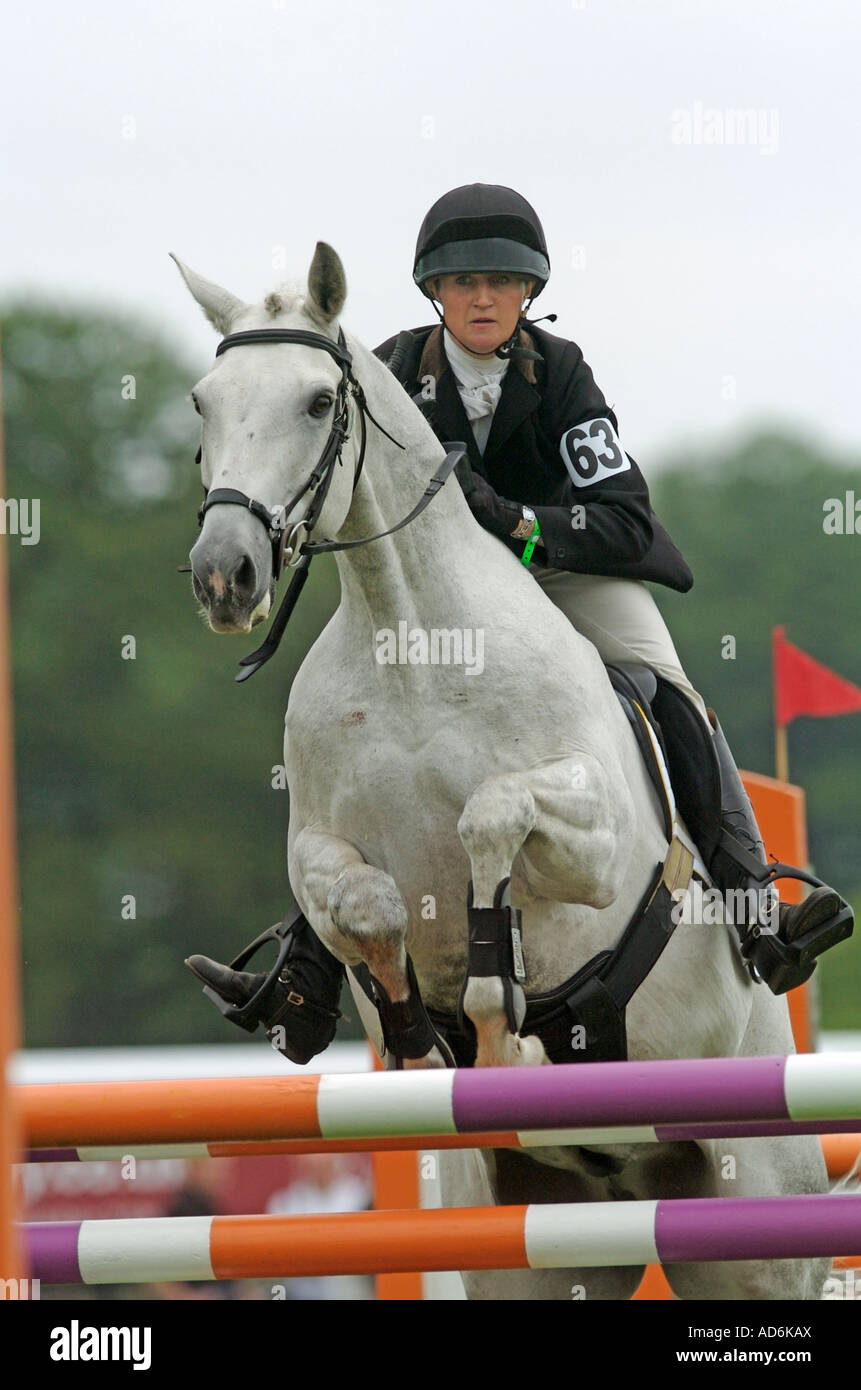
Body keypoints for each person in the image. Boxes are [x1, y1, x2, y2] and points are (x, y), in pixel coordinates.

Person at [187, 184, 851, 1057]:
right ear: (434, 292)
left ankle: (753, 899)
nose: (483, 299)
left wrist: (517, 523)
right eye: (463, 284)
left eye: (502, 281)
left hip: (562, 579)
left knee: (669, 687)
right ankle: (307, 970)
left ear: (528, 290)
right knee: (346, 738)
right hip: (425, 600)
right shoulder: (380, 373)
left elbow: (627, 518)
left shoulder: (560, 371)